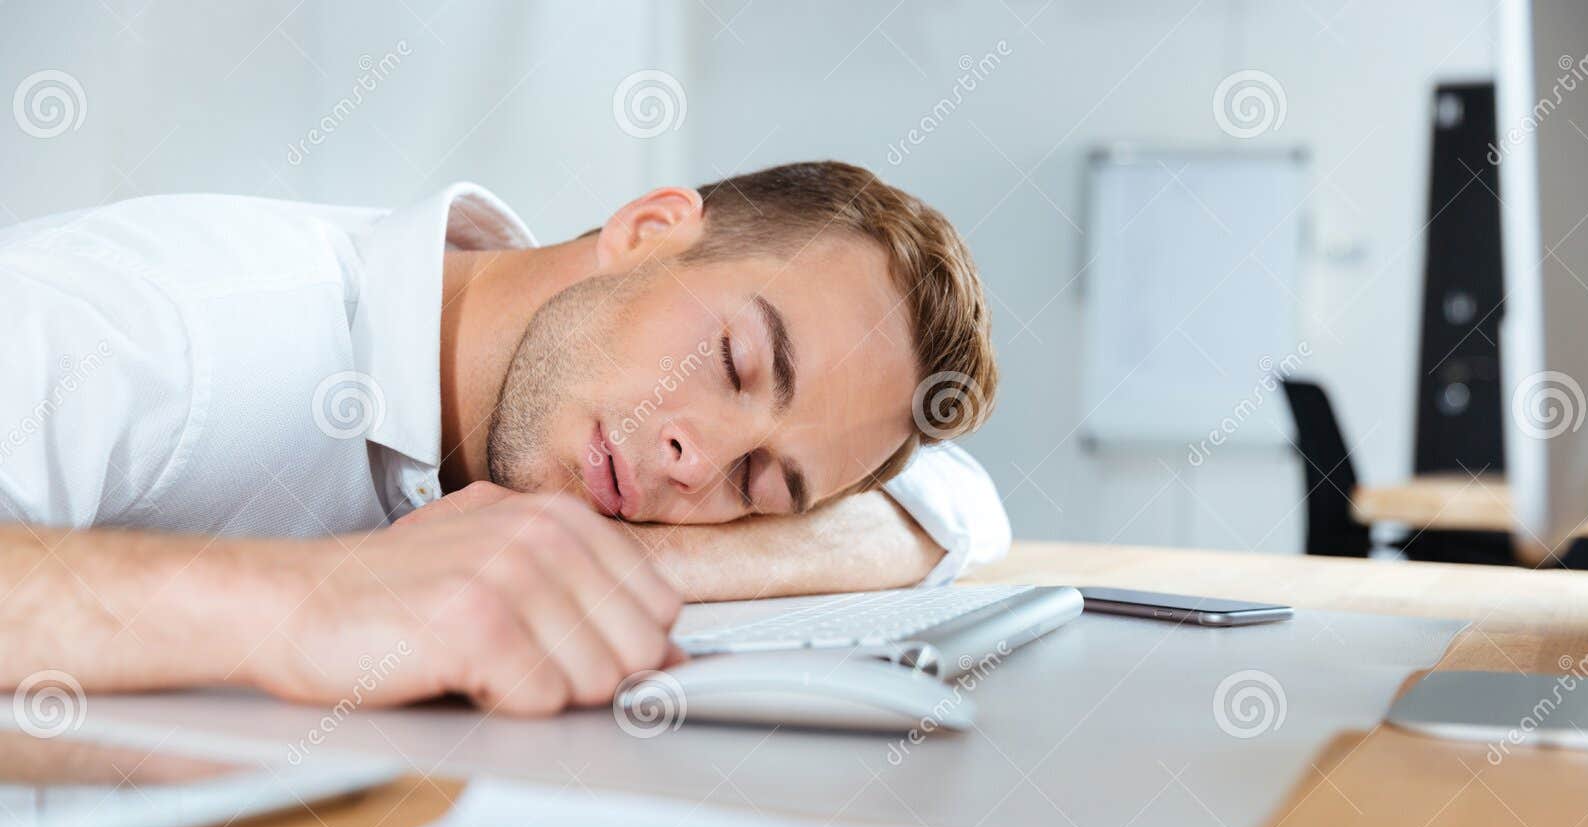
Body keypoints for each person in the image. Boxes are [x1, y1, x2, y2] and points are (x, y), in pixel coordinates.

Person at [0, 161, 1007, 715]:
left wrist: (645, 556)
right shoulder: (182, 323)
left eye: (762, 481)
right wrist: (308, 598)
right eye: (738, 362)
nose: (698, 462)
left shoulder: (558, 411)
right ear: (648, 227)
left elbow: (961, 502)